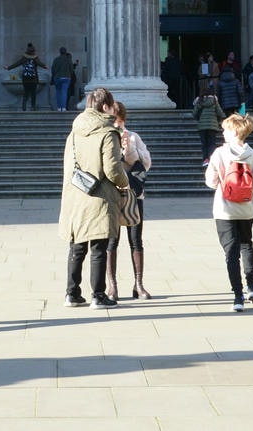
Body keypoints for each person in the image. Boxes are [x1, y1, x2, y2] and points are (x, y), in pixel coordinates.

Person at [59, 87, 130, 309]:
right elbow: (112, 168)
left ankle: (72, 293)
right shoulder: (107, 132)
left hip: (76, 193)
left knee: (77, 245)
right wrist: (124, 183)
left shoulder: (74, 132)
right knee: (99, 246)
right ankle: (98, 295)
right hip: (99, 195)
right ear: (106, 106)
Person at [206, 113, 253, 312]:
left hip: (225, 209)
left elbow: (211, 182)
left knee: (230, 253)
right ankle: (251, 286)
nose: (222, 132)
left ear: (233, 131)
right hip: (246, 209)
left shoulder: (219, 154)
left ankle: (237, 295)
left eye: (224, 129)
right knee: (247, 245)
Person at [106, 101, 153, 300]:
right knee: (111, 241)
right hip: (113, 195)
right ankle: (112, 285)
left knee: (136, 239)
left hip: (134, 195)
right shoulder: (105, 137)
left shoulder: (133, 137)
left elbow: (147, 164)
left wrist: (129, 150)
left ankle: (138, 284)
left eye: (119, 121)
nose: (116, 125)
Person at [192, 84, 225, 166]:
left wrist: (199, 119)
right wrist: (217, 121)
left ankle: (205, 160)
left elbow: (194, 113)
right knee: (212, 144)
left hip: (202, 127)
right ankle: (211, 159)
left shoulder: (200, 101)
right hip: (212, 126)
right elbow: (220, 113)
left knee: (204, 144)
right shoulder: (214, 101)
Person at [7, 43, 44, 110]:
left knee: (26, 92)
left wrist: (8, 68)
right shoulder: (35, 58)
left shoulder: (24, 57)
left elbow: (17, 64)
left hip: (25, 78)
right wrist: (45, 66)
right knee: (33, 93)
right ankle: (33, 106)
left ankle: (24, 104)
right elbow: (40, 63)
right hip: (34, 79)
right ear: (34, 51)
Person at [51, 46, 74, 111]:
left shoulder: (56, 59)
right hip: (66, 77)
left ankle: (59, 107)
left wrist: (55, 75)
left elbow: (53, 69)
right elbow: (71, 70)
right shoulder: (68, 60)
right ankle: (63, 107)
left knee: (58, 92)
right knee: (64, 92)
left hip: (57, 77)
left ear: (60, 52)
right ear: (65, 52)